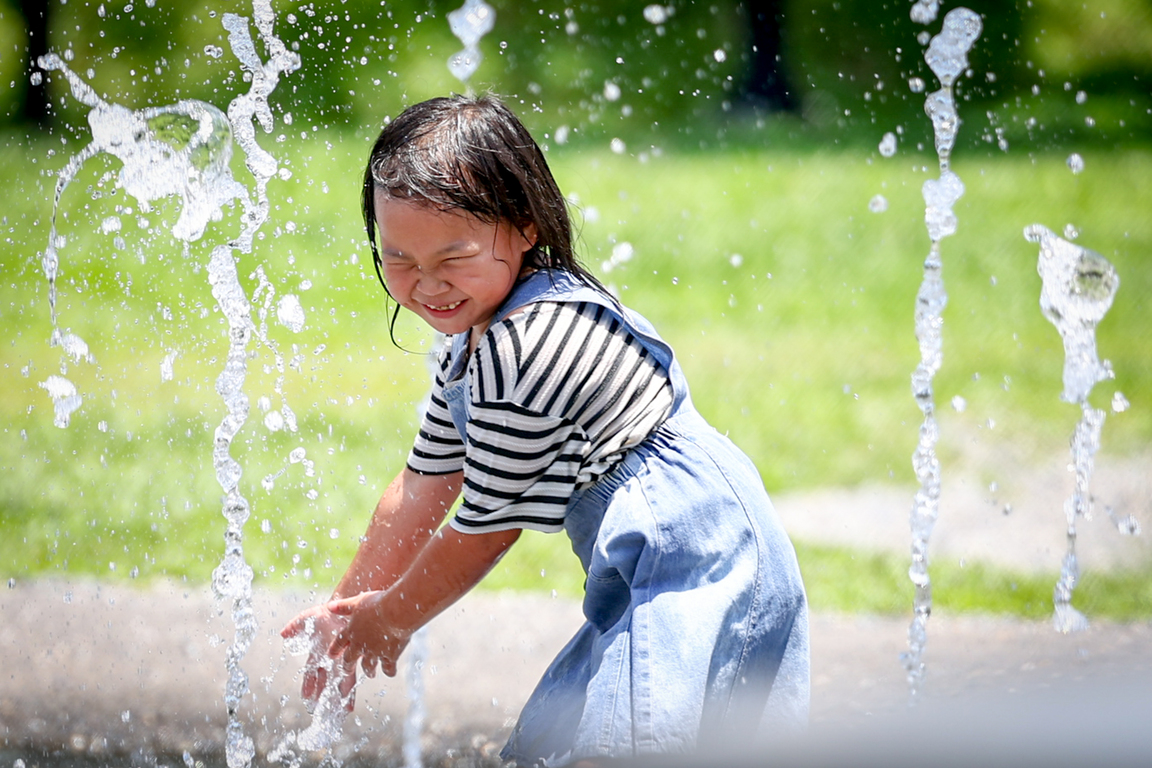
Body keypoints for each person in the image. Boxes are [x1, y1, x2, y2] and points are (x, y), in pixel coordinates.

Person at [280, 93, 809, 766]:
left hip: (693, 554)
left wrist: (388, 621)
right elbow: (423, 483)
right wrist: (347, 613)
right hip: (657, 555)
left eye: (453, 257)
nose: (427, 285)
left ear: (526, 226)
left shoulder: (525, 347)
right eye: (400, 260)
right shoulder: (471, 339)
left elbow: (483, 533)